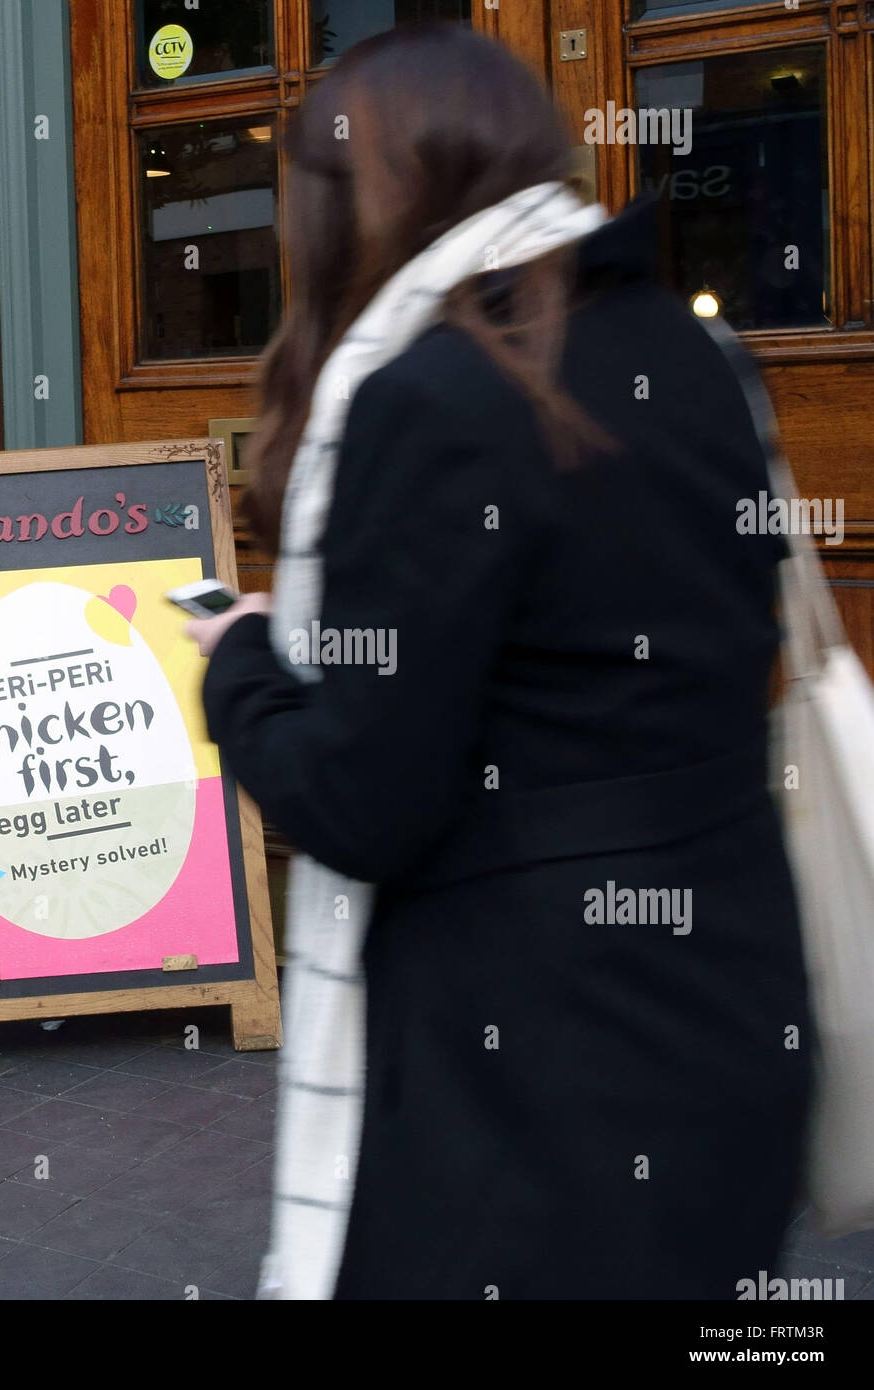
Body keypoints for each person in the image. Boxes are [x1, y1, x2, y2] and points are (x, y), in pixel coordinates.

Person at [186, 25, 811, 1300]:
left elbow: (361, 797)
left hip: (525, 1089)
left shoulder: (435, 398)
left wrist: (237, 662)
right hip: (728, 1013)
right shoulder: (694, 355)